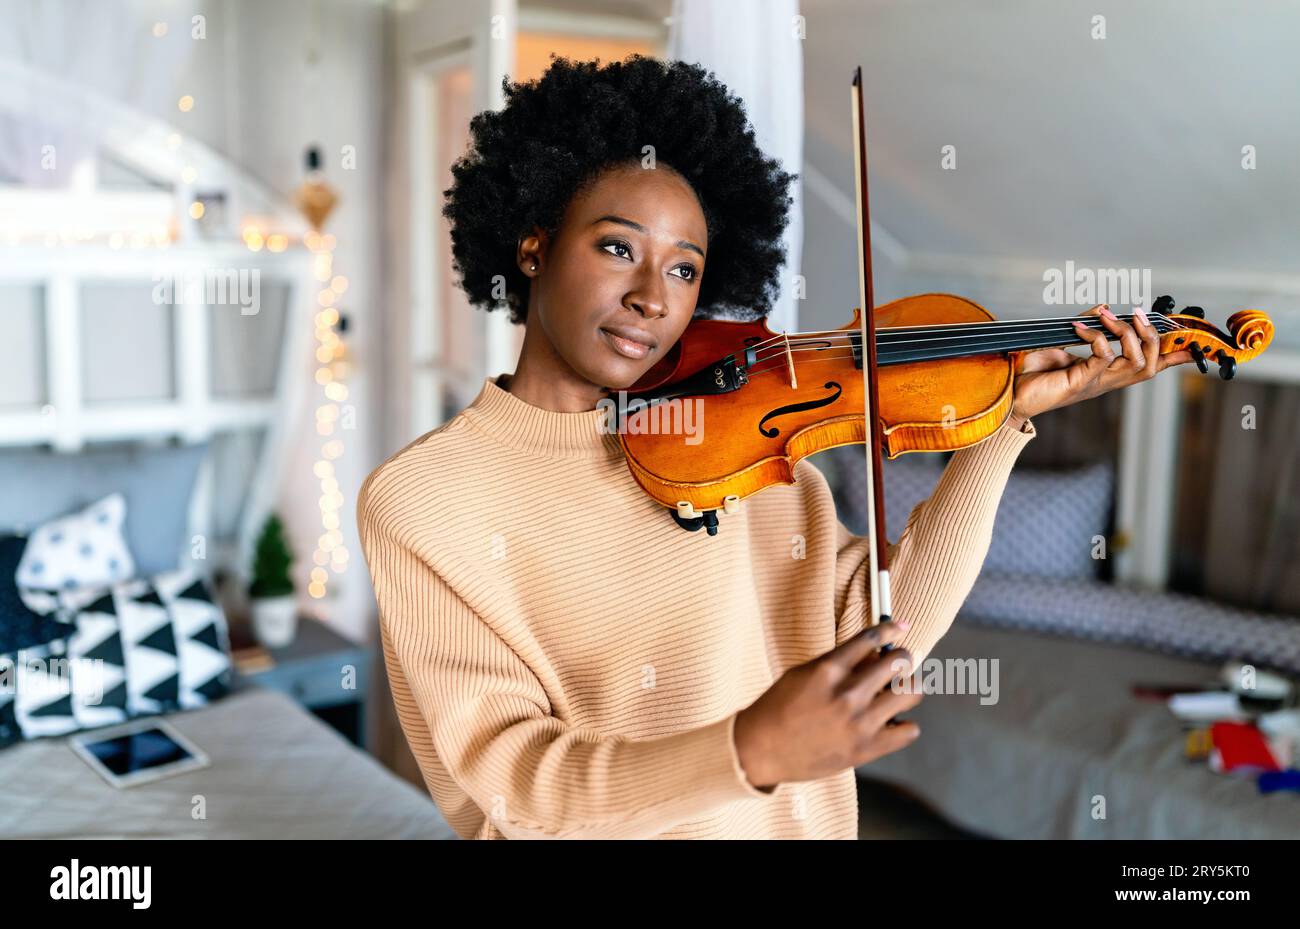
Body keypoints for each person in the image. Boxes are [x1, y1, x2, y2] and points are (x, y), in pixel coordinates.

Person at [357, 54, 1191, 839]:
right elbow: (517, 782)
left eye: (685, 269)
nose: (652, 297)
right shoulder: (426, 499)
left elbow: (885, 631)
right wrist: (748, 749)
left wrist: (1002, 421)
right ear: (533, 244)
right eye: (618, 248)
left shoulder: (749, 441)